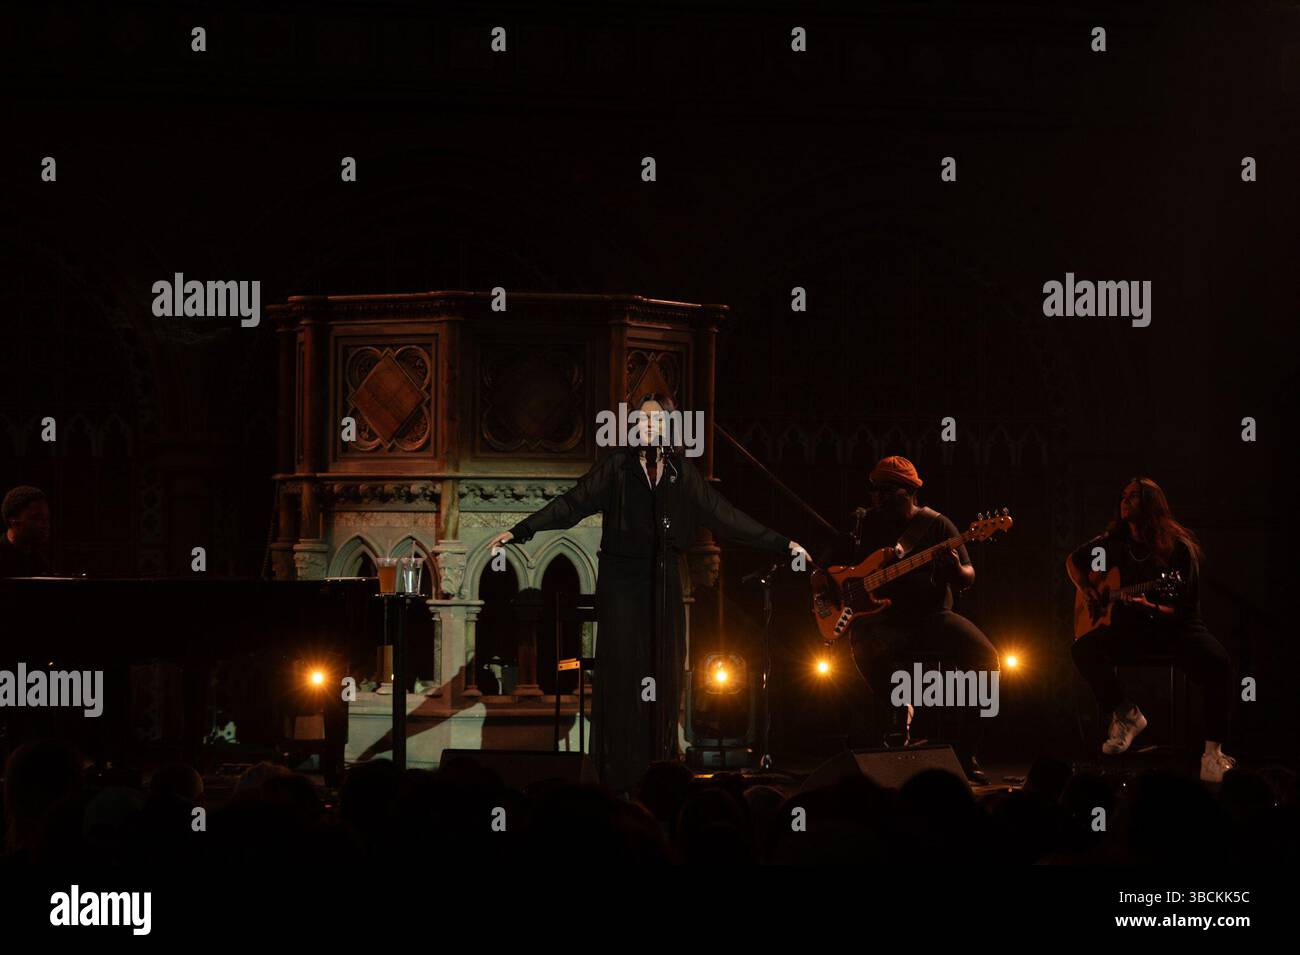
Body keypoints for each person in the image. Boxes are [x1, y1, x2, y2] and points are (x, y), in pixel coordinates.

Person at [488, 394, 805, 794]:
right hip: (622, 582)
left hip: (664, 579)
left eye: (656, 421)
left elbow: (724, 515)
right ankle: (617, 772)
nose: (647, 427)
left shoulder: (678, 471)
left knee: (664, 669)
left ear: (670, 428)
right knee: (623, 675)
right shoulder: (617, 467)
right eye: (641, 420)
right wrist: (521, 530)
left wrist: (782, 543)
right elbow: (572, 504)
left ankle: (660, 769)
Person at [842, 456, 1000, 785]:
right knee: (860, 638)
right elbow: (833, 568)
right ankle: (897, 714)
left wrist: (954, 570)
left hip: (933, 617)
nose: (878, 497)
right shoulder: (864, 525)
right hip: (883, 620)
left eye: (887, 490)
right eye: (875, 490)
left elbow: (968, 576)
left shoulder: (938, 525)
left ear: (910, 491)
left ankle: (965, 752)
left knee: (987, 658)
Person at [1067, 477, 1234, 782]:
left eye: (1134, 496)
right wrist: (1088, 590)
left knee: (1219, 662)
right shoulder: (1112, 543)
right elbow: (1073, 561)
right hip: (1132, 629)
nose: (1124, 501)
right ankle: (1126, 713)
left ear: (1151, 504)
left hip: (1176, 627)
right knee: (1083, 647)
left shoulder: (1178, 548)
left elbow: (1183, 607)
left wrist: (1152, 607)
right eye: (1123, 496)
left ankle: (1212, 754)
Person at [0, 485, 51, 577]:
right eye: (37, 518)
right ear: (14, 522)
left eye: (46, 518)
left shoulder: (40, 562)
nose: (45, 524)